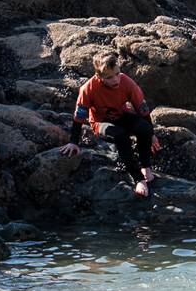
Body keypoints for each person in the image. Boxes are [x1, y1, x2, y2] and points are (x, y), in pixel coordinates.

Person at [62, 52, 160, 197]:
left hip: (121, 115)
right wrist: (73, 142)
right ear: (98, 76)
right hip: (101, 123)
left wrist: (151, 135)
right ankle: (138, 179)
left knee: (144, 128)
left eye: (117, 74)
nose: (115, 80)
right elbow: (79, 117)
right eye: (109, 77)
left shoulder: (127, 83)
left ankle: (145, 166)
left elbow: (143, 111)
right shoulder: (88, 89)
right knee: (121, 135)